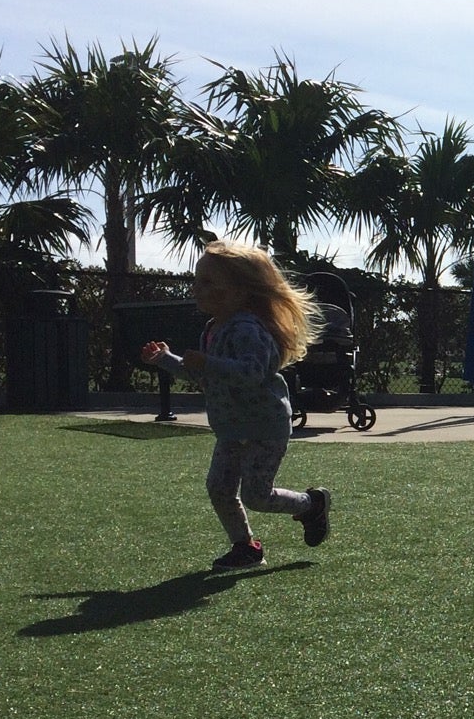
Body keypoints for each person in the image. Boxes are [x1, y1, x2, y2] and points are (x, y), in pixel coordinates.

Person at [140, 241, 333, 569]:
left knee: (257, 495)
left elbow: (250, 373)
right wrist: (166, 359)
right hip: (231, 428)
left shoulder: (247, 329)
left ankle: (310, 504)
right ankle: (245, 547)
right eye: (196, 281)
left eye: (208, 283)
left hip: (263, 426)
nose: (197, 289)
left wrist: (207, 364)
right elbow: (203, 376)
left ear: (241, 291)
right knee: (219, 487)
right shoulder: (214, 328)